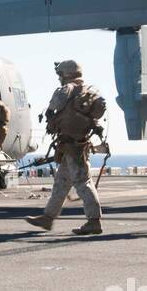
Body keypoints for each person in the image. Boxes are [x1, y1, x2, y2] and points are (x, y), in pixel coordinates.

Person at [25, 60, 103, 235]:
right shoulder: (89, 92)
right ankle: (48, 218)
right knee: (61, 183)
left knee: (83, 182)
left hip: (70, 144)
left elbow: (54, 105)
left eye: (60, 74)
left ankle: (94, 220)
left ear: (66, 74)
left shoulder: (66, 90)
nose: (59, 78)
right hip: (78, 142)